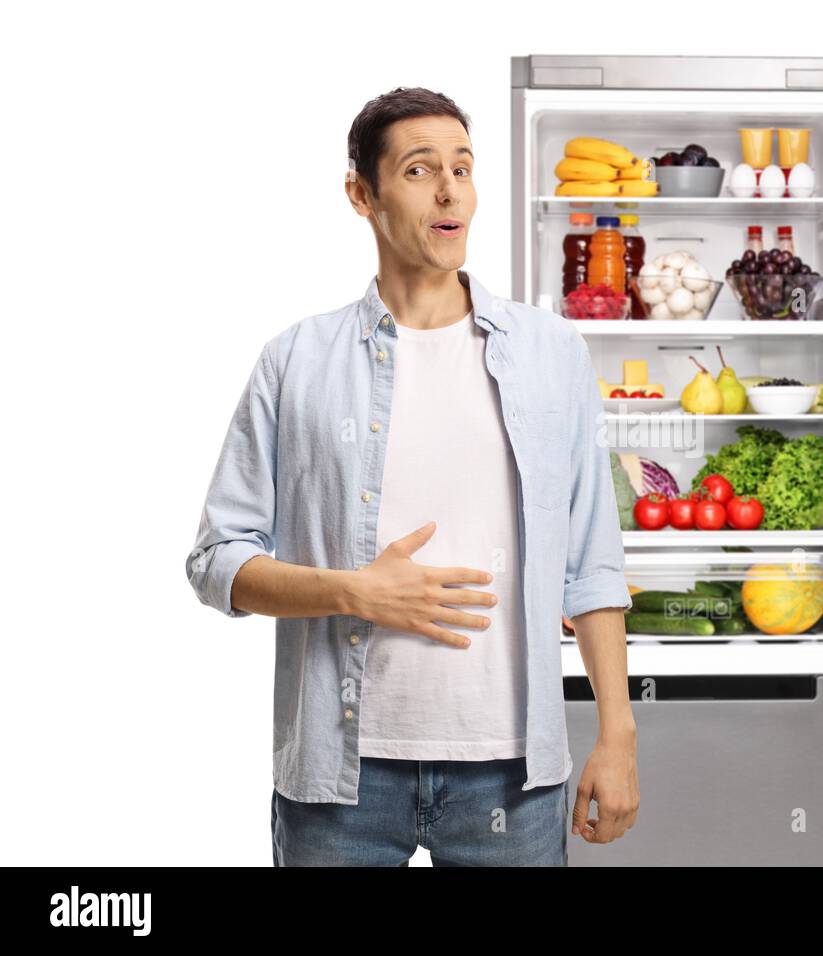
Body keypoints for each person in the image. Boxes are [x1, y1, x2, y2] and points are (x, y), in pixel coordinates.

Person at [185, 87, 638, 866]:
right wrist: (349, 592)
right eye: (420, 169)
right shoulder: (297, 361)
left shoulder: (549, 353)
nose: (449, 189)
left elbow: (590, 563)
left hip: (513, 774)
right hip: (341, 779)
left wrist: (619, 736)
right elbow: (217, 562)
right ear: (362, 194)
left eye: (462, 167)